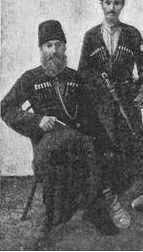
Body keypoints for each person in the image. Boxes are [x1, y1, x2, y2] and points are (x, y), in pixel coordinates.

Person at [1, 20, 104, 243]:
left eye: (58, 45)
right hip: (46, 140)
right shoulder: (31, 78)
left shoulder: (75, 78)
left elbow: (90, 115)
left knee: (95, 149)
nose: (54, 51)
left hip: (76, 139)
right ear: (41, 49)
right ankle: (49, 220)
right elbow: (6, 107)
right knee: (51, 157)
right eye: (48, 45)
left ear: (65, 48)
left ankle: (92, 209)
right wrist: (37, 120)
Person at [78, 0, 143, 221]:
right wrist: (97, 89)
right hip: (100, 106)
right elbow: (82, 72)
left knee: (129, 153)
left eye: (117, 3)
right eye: (108, 2)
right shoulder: (91, 36)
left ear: (123, 5)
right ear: (101, 4)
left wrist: (141, 93)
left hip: (127, 103)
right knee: (104, 152)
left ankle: (131, 200)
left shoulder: (132, 34)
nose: (112, 8)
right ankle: (108, 199)